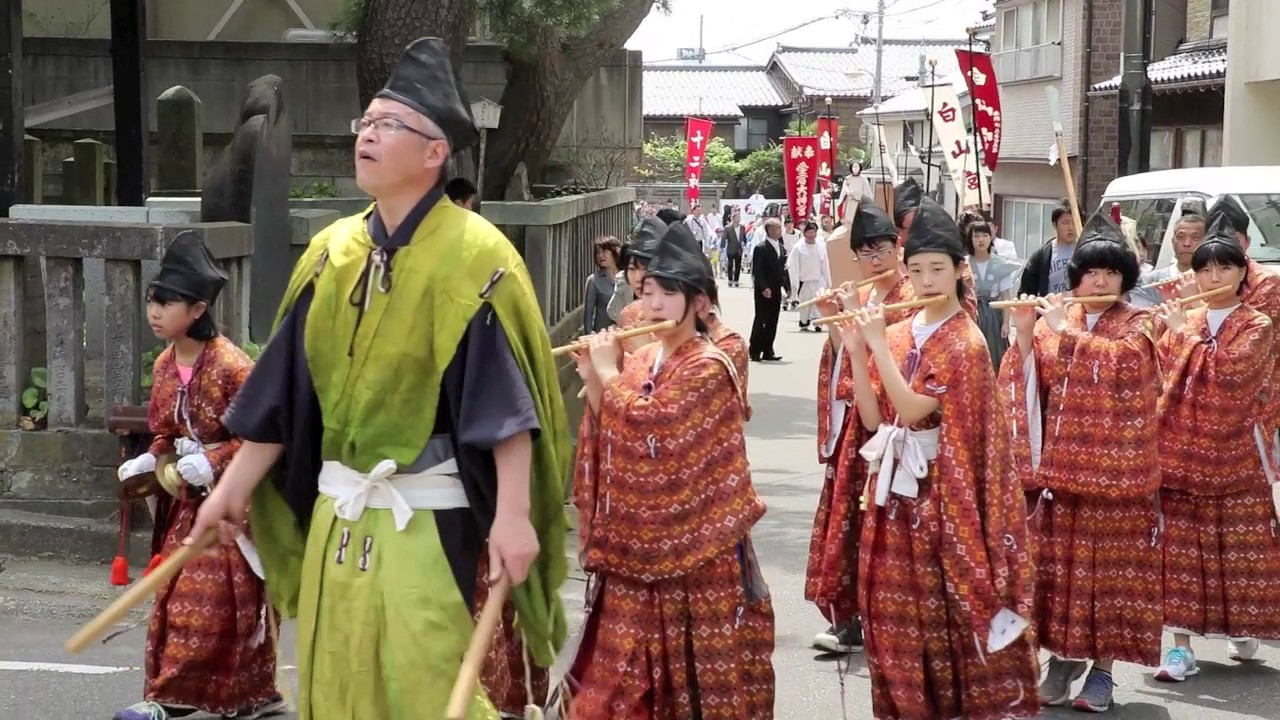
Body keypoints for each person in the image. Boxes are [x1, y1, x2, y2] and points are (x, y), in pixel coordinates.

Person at [183, 37, 571, 719]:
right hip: (341, 517)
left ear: (433, 154)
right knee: (336, 688)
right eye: (365, 122)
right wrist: (232, 491)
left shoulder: (474, 256)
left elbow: (504, 408)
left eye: (389, 125)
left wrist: (513, 515)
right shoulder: (335, 253)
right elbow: (285, 399)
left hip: (431, 518)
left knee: (428, 684)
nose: (367, 135)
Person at [838, 198, 1039, 720]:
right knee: (892, 615)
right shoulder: (902, 329)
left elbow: (915, 410)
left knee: (940, 614)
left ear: (958, 270)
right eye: (918, 269)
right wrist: (858, 350)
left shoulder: (965, 340)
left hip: (941, 500)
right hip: (895, 496)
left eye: (937, 269)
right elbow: (873, 420)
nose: (926, 280)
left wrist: (878, 345)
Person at [566, 222, 775, 718]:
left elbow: (653, 422)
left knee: (696, 685)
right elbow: (616, 429)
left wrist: (610, 373)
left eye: (668, 294)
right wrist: (596, 380)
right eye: (649, 292)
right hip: (636, 548)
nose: (653, 305)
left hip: (697, 550)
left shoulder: (709, 364)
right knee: (617, 690)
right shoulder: (639, 362)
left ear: (699, 304)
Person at [114, 232, 284, 720]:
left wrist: (212, 461)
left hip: (236, 503)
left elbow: (263, 435)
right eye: (152, 301)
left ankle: (213, 695)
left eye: (166, 303)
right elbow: (164, 431)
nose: (155, 312)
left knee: (212, 598)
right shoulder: (167, 364)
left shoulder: (233, 365)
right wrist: (152, 458)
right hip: (189, 503)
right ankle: (182, 694)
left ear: (198, 308)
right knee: (175, 596)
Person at [999, 211, 1163, 713]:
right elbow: (1028, 390)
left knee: (1107, 581)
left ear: (1125, 279)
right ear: (1076, 276)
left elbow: (1124, 372)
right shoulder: (1057, 320)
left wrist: (1059, 331)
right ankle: (1061, 661)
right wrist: (1026, 337)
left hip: (1117, 482)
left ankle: (1103, 674)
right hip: (1059, 476)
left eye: (1112, 273)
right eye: (1092, 271)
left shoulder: (1141, 324)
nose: (1100, 280)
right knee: (1058, 577)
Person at [1151, 221, 1280, 682]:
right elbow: (1160, 374)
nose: (1214, 277)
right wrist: (1164, 332)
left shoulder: (1258, 323)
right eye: (1206, 270)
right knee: (1180, 552)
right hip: (1181, 453)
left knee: (1240, 547)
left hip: (1237, 455)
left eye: (1225, 268)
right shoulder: (1185, 318)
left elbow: (1231, 376)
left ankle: (1243, 627)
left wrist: (1180, 336)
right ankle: (1180, 646)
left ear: (1242, 274)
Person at [965, 220, 1022, 369]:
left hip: (993, 315)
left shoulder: (1000, 264)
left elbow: (1005, 295)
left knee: (995, 354)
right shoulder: (964, 264)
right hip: (971, 313)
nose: (981, 240)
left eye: (985, 235)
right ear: (970, 239)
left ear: (991, 238)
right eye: (976, 236)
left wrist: (1006, 322)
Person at [1017, 201, 1078, 297]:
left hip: (1078, 309)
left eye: (1074, 223)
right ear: (1055, 224)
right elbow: (1027, 291)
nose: (1071, 228)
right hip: (1051, 308)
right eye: (1065, 223)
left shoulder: (1086, 252)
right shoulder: (1041, 256)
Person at [750, 218, 786, 361]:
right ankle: (755, 350)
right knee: (761, 319)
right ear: (770, 230)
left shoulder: (781, 247)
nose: (780, 230)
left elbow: (782, 269)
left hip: (776, 288)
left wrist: (784, 286)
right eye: (778, 228)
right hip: (763, 290)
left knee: (773, 320)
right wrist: (763, 287)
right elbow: (757, 271)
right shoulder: (761, 248)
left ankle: (768, 350)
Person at [787, 220, 832, 331]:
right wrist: (795, 284)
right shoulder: (798, 248)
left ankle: (817, 323)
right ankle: (804, 322)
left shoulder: (821, 246)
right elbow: (793, 266)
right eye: (809, 232)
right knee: (805, 304)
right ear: (804, 233)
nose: (812, 235)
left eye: (814, 232)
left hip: (818, 280)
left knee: (818, 303)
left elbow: (825, 265)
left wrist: (828, 282)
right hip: (805, 281)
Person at [583, 235, 621, 335]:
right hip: (602, 334)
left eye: (604, 251)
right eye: (598, 252)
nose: (601, 255)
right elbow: (588, 314)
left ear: (614, 252)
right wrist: (589, 336)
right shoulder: (594, 280)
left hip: (624, 332)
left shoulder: (627, 276)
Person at [723, 206, 745, 287]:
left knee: (738, 265)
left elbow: (744, 237)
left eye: (739, 217)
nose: (739, 219)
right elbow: (724, 238)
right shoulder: (728, 228)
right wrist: (722, 246)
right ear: (733, 218)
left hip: (739, 249)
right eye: (737, 217)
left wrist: (743, 243)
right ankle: (730, 279)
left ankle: (736, 280)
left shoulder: (742, 227)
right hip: (730, 248)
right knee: (730, 265)